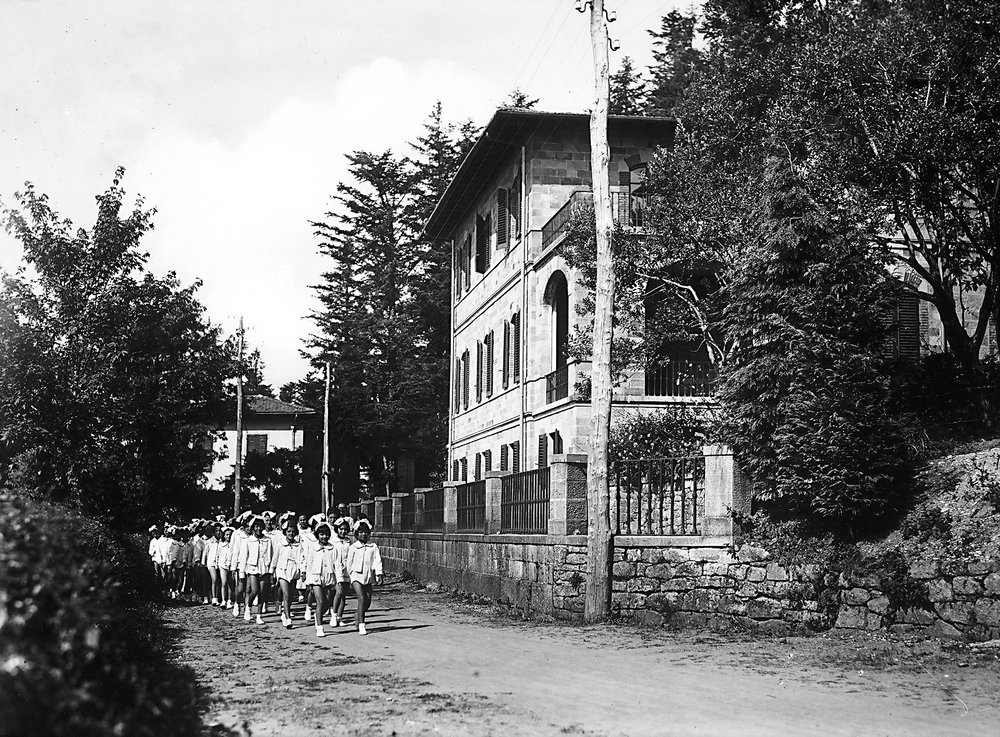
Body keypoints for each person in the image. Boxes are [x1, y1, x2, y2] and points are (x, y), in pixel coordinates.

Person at [302, 521, 342, 637]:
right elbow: (309, 564)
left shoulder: (333, 548)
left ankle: (317, 615)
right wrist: (309, 581)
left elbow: (337, 565)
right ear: (317, 535)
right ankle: (320, 627)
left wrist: (339, 581)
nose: (324, 537)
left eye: (326, 534)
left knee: (327, 602)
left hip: (329, 577)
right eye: (321, 534)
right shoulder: (313, 548)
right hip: (315, 577)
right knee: (320, 601)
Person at [346, 519, 383, 636]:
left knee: (367, 601)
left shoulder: (373, 547)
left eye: (365, 532)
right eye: (360, 532)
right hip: (356, 576)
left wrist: (379, 574)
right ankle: (362, 624)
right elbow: (349, 564)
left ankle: (358, 614)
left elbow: (377, 560)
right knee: (361, 598)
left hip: (368, 576)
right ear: (356, 534)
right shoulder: (353, 547)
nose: (363, 534)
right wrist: (350, 577)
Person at [239, 516, 273, 625]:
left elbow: (271, 555)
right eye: (256, 526)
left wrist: (271, 570)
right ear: (253, 528)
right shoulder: (249, 540)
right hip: (253, 568)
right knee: (254, 591)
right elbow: (244, 556)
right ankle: (248, 607)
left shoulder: (267, 540)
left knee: (262, 592)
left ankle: (259, 615)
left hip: (264, 567)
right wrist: (242, 572)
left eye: (260, 526)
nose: (258, 529)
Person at [270, 521, 301, 629]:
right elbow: (275, 559)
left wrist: (302, 570)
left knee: (291, 595)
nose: (291, 534)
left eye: (293, 532)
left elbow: (302, 559)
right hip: (282, 570)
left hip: (293, 571)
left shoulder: (298, 545)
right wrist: (271, 572)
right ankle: (288, 619)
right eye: (288, 532)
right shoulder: (280, 544)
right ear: (285, 532)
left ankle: (285, 612)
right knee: (286, 594)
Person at [331, 517, 352, 627]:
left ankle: (340, 617)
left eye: (345, 529)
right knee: (338, 592)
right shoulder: (333, 541)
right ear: (336, 529)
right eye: (340, 529)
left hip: (346, 570)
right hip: (336, 569)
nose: (343, 531)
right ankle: (333, 616)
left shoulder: (348, 541)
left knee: (343, 594)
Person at [203, 523, 222, 605]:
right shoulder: (210, 542)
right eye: (216, 531)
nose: (218, 532)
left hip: (219, 563)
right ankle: (214, 599)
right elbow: (205, 553)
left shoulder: (222, 542)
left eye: (220, 531)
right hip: (211, 563)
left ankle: (217, 597)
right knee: (214, 579)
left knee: (218, 580)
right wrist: (203, 562)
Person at [218, 526, 235, 608]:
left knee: (230, 584)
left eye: (230, 535)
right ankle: (223, 600)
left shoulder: (233, 545)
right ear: (224, 535)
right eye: (227, 535)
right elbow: (218, 555)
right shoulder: (221, 544)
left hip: (231, 565)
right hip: (222, 565)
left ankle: (229, 600)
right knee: (224, 582)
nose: (228, 537)